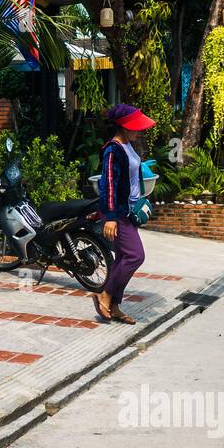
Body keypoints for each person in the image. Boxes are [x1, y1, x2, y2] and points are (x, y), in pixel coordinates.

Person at [94, 104, 155, 325]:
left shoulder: (129, 146)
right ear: (123, 127)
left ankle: (115, 306)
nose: (139, 131)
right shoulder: (113, 150)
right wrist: (110, 217)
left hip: (128, 211)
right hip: (117, 212)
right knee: (135, 256)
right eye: (135, 127)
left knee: (122, 259)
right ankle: (105, 295)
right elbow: (108, 184)